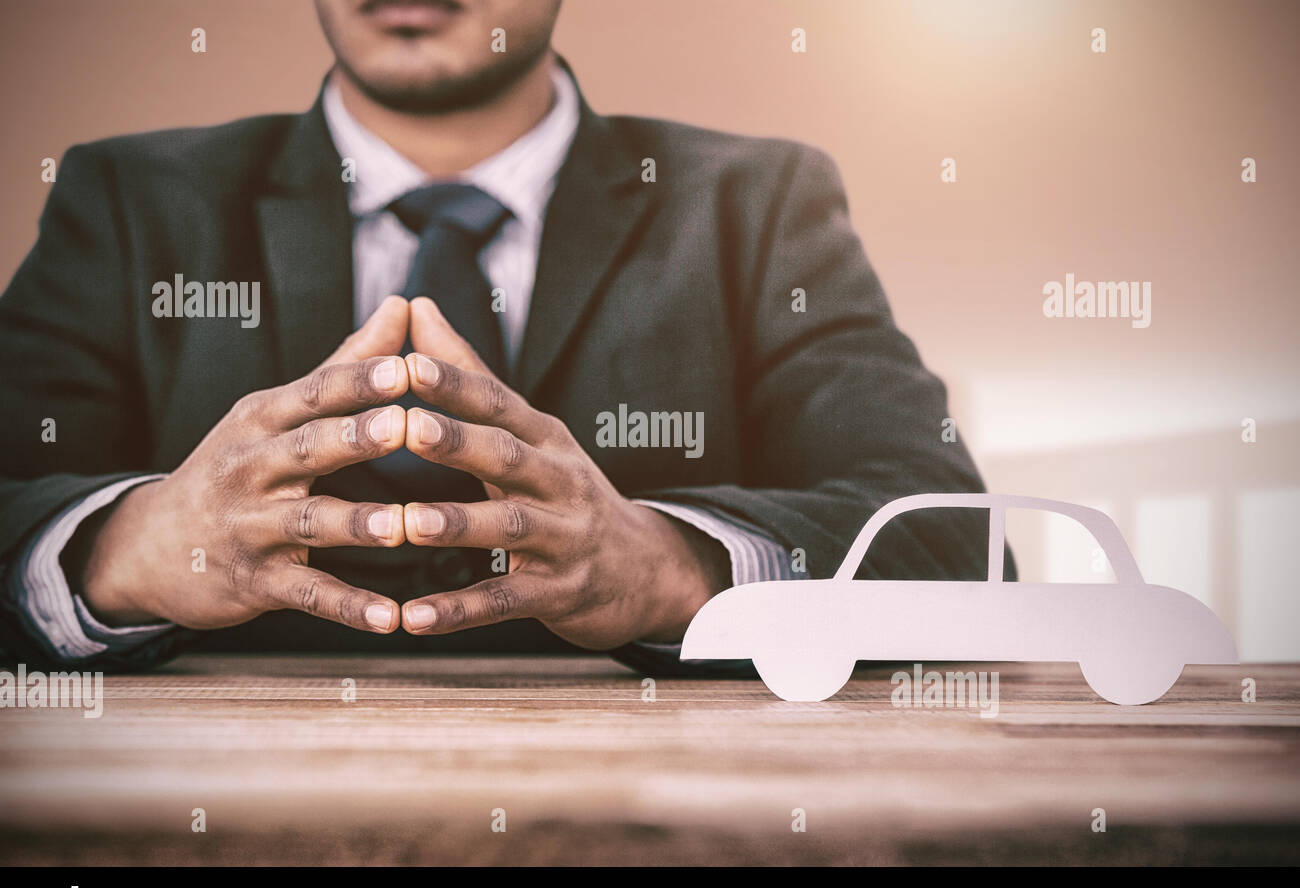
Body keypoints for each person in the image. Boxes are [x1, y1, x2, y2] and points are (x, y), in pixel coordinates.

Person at [0, 0, 1006, 674]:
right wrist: (124, 547)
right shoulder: (129, 198)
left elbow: (955, 534)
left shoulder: (755, 202)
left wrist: (671, 566)